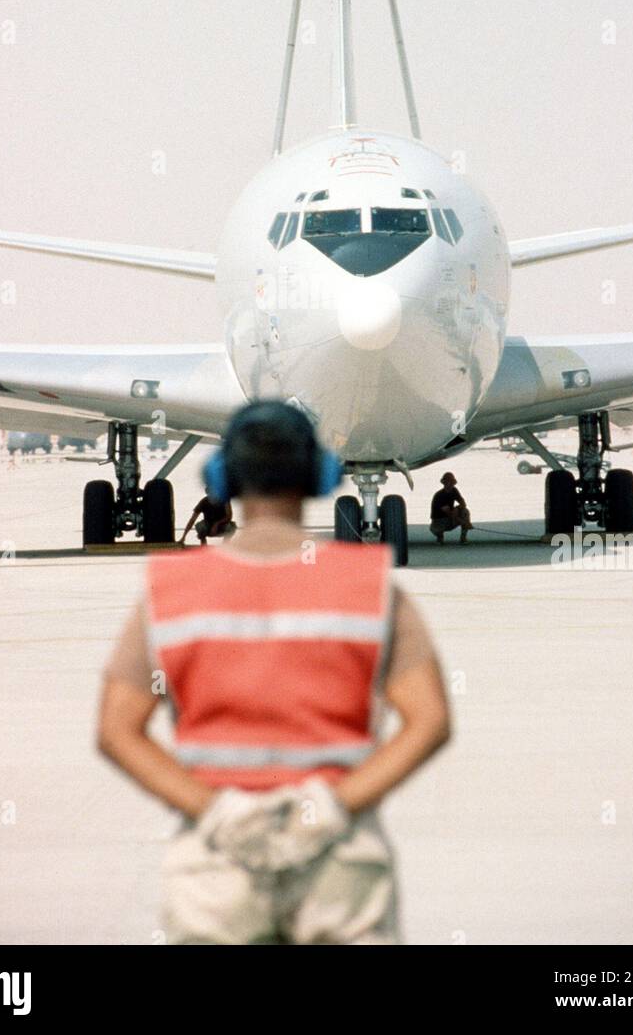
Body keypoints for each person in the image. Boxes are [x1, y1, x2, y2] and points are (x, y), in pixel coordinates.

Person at [98, 400, 450, 945]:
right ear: (321, 475)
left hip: (216, 862)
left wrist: (217, 812)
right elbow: (430, 722)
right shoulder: (369, 585)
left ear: (222, 479)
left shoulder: (170, 591)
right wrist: (332, 806)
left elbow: (117, 731)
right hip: (339, 855)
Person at [430, 471, 472, 544]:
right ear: (444, 483)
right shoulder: (439, 495)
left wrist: (457, 508)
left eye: (451, 482)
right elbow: (448, 512)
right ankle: (440, 537)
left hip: (451, 518)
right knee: (436, 529)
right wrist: (463, 522)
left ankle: (463, 538)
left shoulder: (454, 490)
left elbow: (463, 503)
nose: (450, 484)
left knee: (465, 511)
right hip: (439, 521)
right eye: (447, 482)